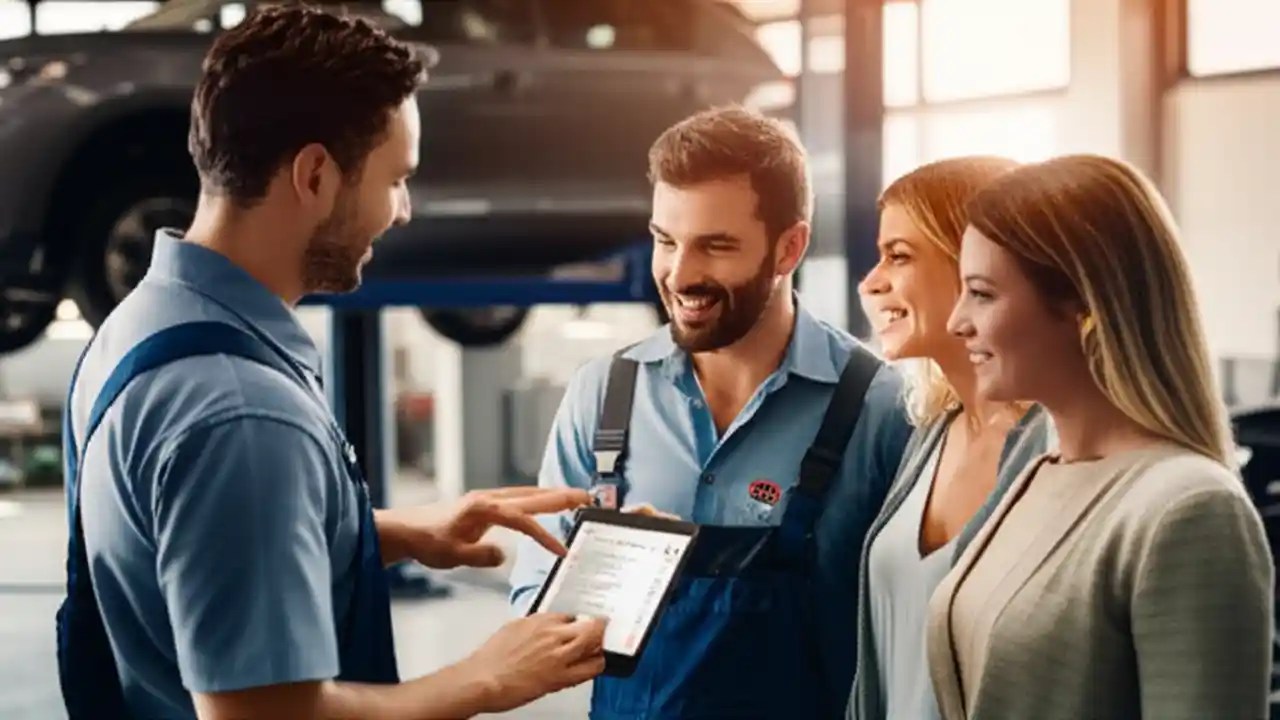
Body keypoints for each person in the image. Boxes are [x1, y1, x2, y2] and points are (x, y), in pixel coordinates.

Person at [55, 6, 606, 720]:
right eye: (395, 178)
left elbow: (194, 545)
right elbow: (261, 714)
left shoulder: (143, 324)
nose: (402, 210)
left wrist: (396, 533)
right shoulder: (243, 413)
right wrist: (485, 679)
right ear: (315, 174)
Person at [508, 105, 915, 719]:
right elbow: (532, 604)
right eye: (664, 241)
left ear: (790, 248)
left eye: (715, 246)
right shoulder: (602, 396)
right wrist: (600, 584)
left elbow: (906, 632)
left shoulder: (879, 408)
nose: (679, 273)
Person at [926, 154, 1274, 719]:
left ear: (1084, 306)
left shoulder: (1189, 509)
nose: (957, 321)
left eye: (982, 293)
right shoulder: (1038, 473)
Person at [846, 157, 1054, 720]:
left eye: (900, 255)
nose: (871, 282)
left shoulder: (1056, 446)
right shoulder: (932, 433)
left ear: (977, 264)